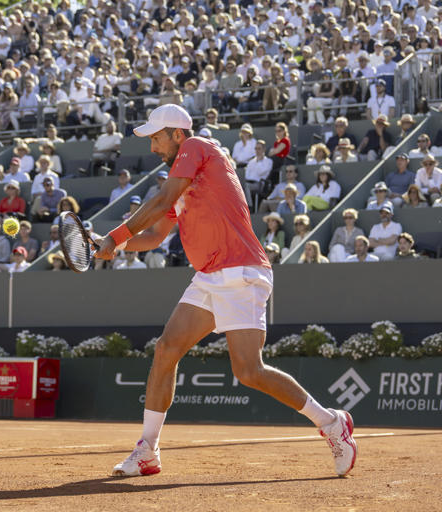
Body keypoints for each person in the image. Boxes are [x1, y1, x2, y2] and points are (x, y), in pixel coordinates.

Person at [95, 105, 355, 478]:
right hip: (209, 275)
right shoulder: (179, 178)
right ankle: (148, 450)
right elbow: (153, 237)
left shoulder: (198, 147)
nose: (152, 146)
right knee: (167, 348)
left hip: (241, 271)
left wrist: (114, 236)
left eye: (156, 137)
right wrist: (112, 245)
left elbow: (162, 202)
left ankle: (331, 422)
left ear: (177, 135)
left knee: (249, 371)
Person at [244, 140, 273, 210]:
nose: (257, 151)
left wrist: (259, 161)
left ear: (264, 149)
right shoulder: (251, 162)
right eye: (256, 148)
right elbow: (247, 175)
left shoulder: (268, 161)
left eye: (259, 148)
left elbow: (262, 172)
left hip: (260, 184)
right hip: (249, 182)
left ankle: (249, 207)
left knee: (246, 186)